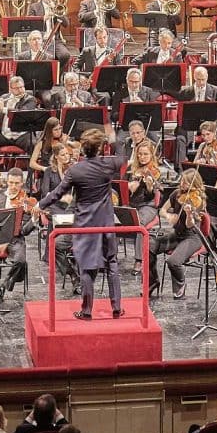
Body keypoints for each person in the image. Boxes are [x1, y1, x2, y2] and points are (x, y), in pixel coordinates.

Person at [57, 125, 128, 320]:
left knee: (87, 267)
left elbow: (57, 193)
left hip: (87, 224)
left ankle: (87, 310)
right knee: (112, 264)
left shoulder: (76, 169)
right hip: (106, 222)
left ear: (83, 148)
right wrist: (114, 139)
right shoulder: (108, 165)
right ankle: (116, 308)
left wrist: (40, 203)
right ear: (100, 148)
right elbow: (123, 157)